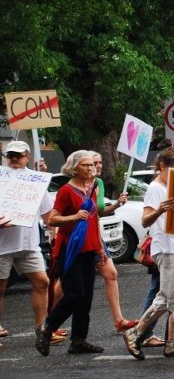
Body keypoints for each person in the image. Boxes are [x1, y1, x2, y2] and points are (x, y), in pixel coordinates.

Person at [122, 147, 174, 359]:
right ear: (162, 165)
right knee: (168, 296)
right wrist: (159, 210)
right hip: (166, 247)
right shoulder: (156, 188)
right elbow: (145, 219)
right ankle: (136, 332)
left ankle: (173, 343)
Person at [35, 150, 106, 355]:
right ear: (75, 168)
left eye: (92, 164)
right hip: (71, 248)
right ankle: (48, 327)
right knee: (75, 294)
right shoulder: (66, 191)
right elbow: (52, 219)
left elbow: (95, 218)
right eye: (85, 165)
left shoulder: (92, 188)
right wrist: (73, 217)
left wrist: (100, 246)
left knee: (87, 298)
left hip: (90, 247)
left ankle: (78, 340)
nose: (91, 168)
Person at [0, 142, 54, 351]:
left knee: (42, 282)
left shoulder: (36, 182)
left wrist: (53, 234)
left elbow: (48, 215)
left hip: (28, 244)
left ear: (27, 158)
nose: (14, 159)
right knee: (0, 289)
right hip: (2, 245)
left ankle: (41, 328)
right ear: (6, 157)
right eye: (10, 155)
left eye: (19, 156)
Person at [87, 151, 137, 332]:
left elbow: (99, 211)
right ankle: (49, 321)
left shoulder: (98, 182)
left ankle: (119, 320)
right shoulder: (78, 185)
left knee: (111, 274)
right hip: (81, 236)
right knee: (66, 281)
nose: (98, 165)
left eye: (100, 162)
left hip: (95, 234)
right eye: (94, 162)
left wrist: (116, 204)